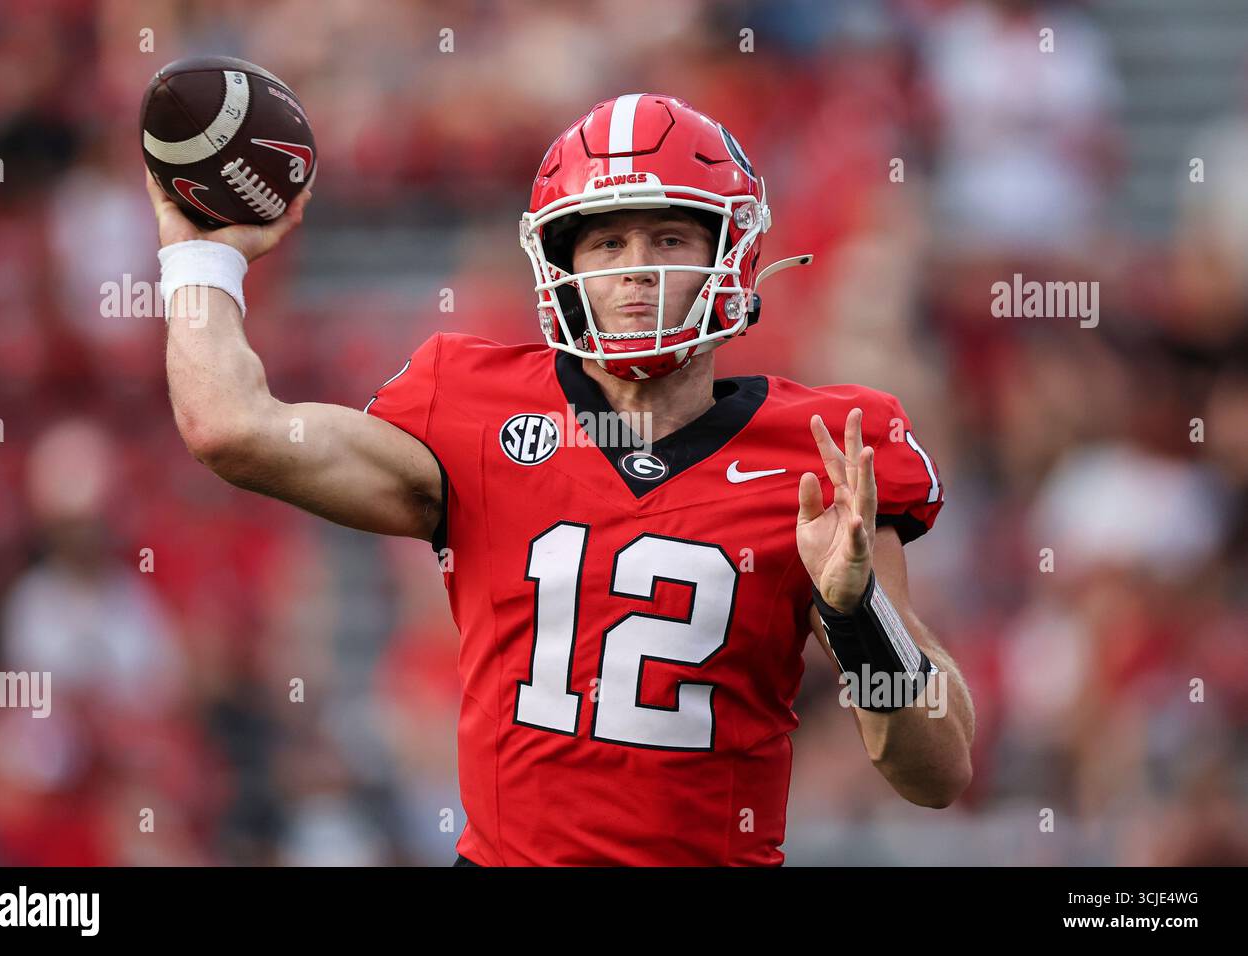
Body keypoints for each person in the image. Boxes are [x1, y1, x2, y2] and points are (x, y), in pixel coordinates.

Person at [147, 93, 974, 866]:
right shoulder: (471, 406)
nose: (635, 270)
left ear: (731, 252)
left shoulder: (818, 453)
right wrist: (197, 261)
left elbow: (934, 775)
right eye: (607, 240)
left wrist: (859, 616)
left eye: (669, 238)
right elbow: (230, 428)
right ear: (558, 257)